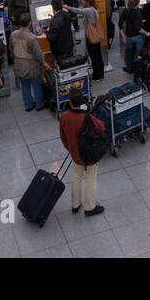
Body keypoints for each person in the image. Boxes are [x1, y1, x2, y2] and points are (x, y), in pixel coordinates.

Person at [58, 87, 106, 216]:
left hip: (75, 154)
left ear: (70, 101)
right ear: (81, 102)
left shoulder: (64, 117)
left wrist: (71, 148)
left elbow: (63, 137)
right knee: (90, 179)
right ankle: (90, 208)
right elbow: (101, 127)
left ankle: (75, 204)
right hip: (89, 154)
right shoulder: (87, 117)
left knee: (76, 178)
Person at [10, 13, 45, 111]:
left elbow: (11, 49)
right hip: (32, 66)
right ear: (29, 23)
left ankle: (28, 105)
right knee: (36, 85)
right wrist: (44, 62)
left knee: (25, 85)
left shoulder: (13, 34)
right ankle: (39, 104)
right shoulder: (32, 38)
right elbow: (38, 54)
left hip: (19, 64)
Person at [67, 0, 104, 80]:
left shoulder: (89, 10)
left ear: (87, 2)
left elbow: (77, 10)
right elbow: (80, 15)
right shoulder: (91, 9)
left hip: (91, 37)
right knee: (98, 55)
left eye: (83, 1)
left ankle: (97, 75)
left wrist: (64, 6)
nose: (82, 2)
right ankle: (100, 74)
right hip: (95, 36)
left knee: (94, 56)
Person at [118, 0, 145, 82]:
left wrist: (123, 36)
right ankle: (138, 72)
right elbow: (139, 25)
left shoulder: (125, 11)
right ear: (138, 3)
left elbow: (120, 24)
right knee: (138, 55)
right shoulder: (139, 12)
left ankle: (129, 69)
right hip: (138, 37)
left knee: (129, 53)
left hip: (129, 36)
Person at [45, 0, 76, 64]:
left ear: (53, 7)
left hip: (60, 51)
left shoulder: (54, 22)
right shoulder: (67, 14)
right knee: (70, 65)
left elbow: (51, 38)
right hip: (69, 46)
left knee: (62, 67)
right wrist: (54, 18)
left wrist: (47, 31)